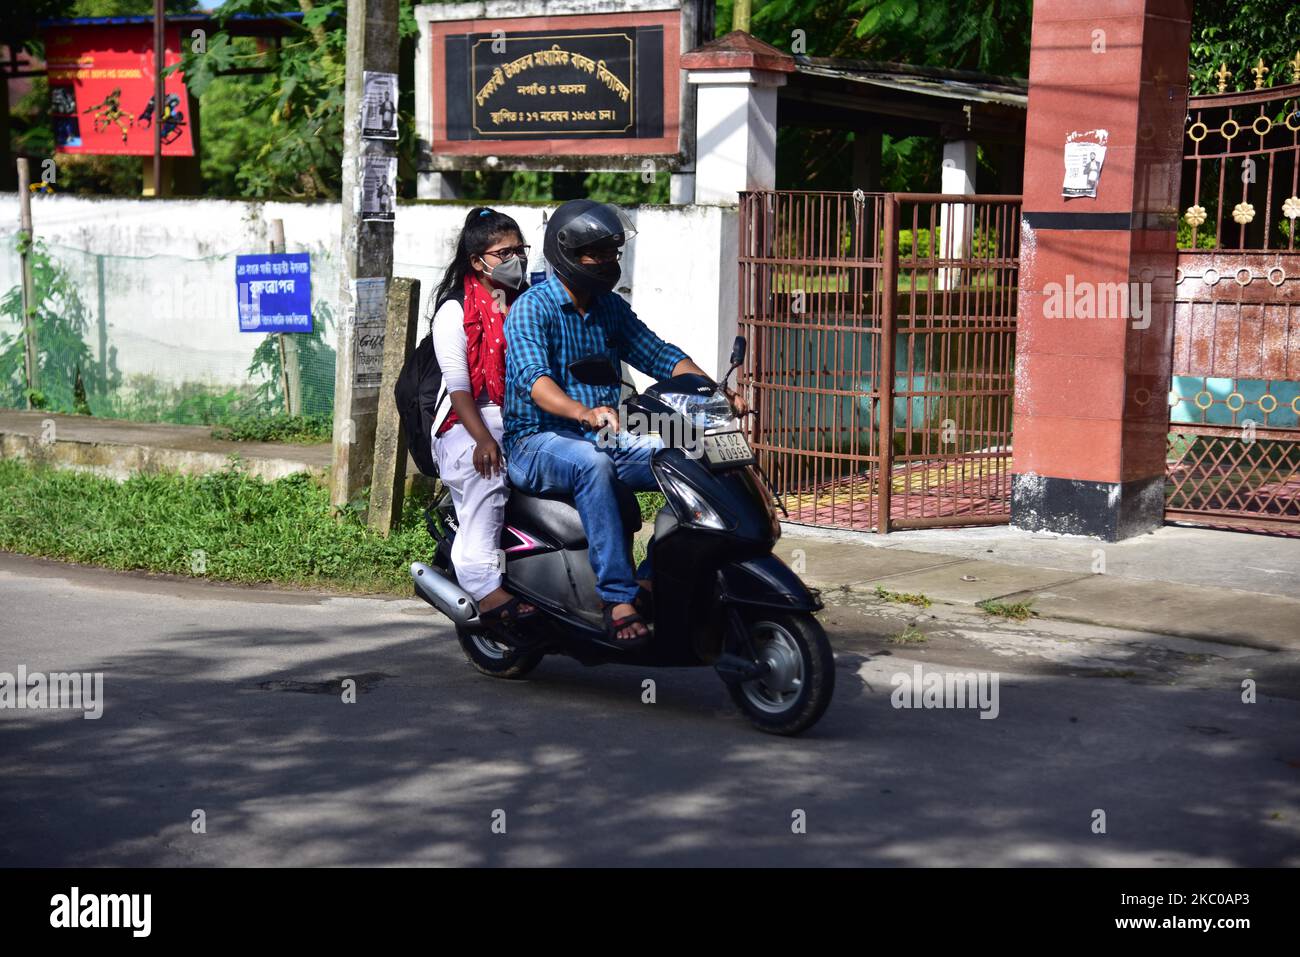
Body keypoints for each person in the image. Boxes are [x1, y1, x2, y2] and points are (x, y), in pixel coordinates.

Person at [503, 200, 743, 645]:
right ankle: (616, 598)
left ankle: (652, 580)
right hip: (536, 440)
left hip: (604, 435)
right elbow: (534, 381)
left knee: (689, 457)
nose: (608, 262)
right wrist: (583, 412)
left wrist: (715, 395)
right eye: (596, 253)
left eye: (612, 252)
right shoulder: (532, 309)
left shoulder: (609, 308)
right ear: (567, 255)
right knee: (590, 463)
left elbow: (659, 354)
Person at [430, 207, 536, 625]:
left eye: (520, 250)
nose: (516, 261)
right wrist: (483, 440)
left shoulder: (529, 303)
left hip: (522, 416)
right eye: (504, 253)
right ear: (478, 262)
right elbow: (459, 389)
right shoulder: (455, 311)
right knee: (486, 471)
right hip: (466, 422)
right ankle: (480, 581)